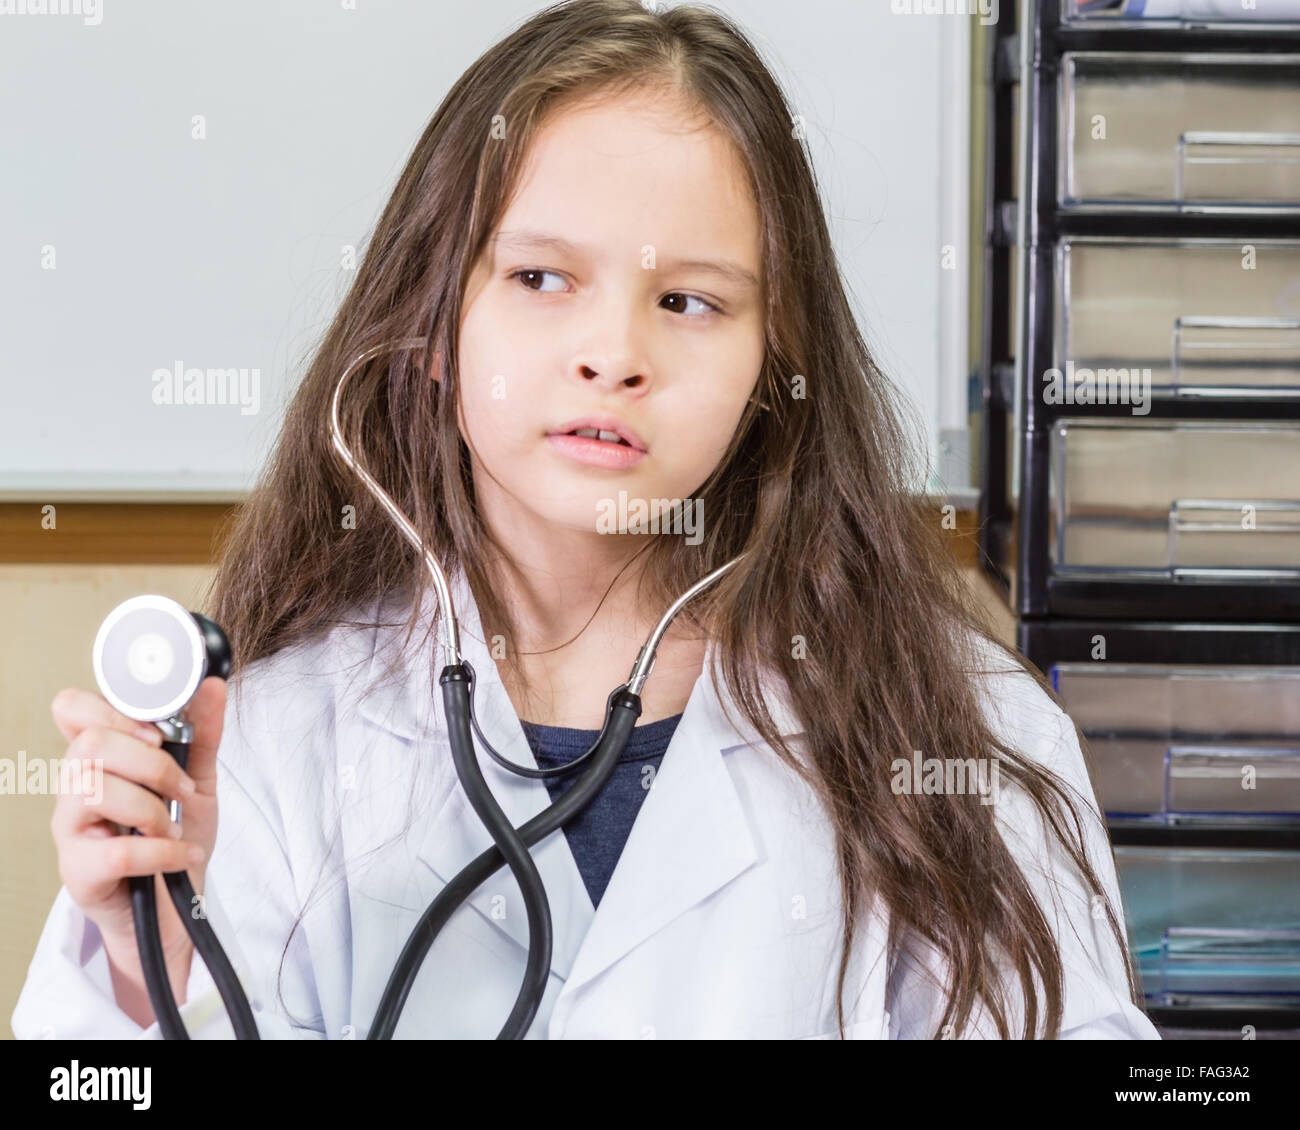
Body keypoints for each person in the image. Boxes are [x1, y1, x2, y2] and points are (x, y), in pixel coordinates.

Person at [12, 0, 1159, 1040]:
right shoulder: (277, 737)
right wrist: (140, 976)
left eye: (688, 301)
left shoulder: (951, 726)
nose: (613, 352)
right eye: (540, 278)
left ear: (775, 361)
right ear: (429, 324)